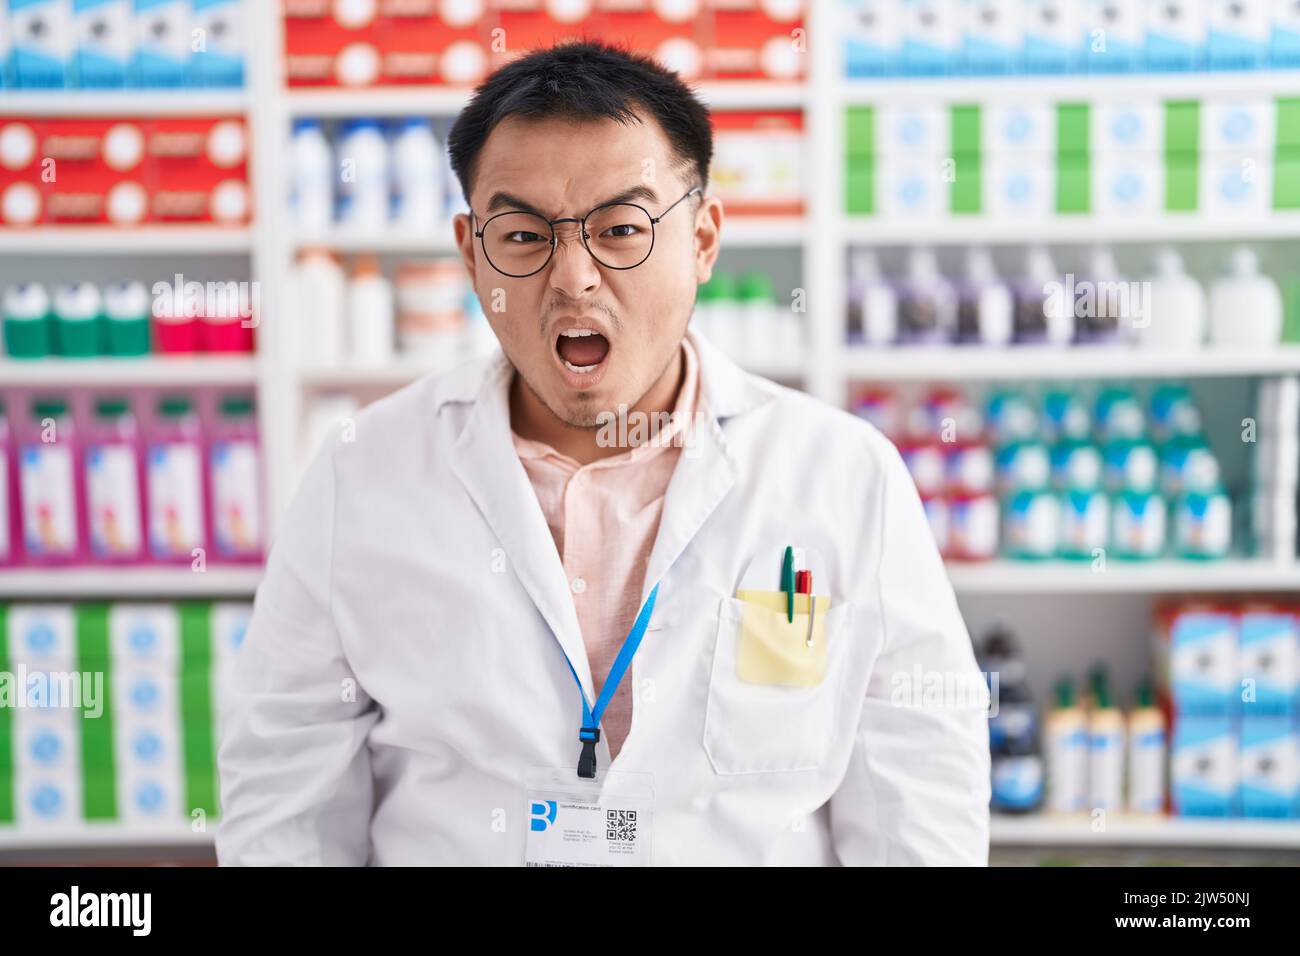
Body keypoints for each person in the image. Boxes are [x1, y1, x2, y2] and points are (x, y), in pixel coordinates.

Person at [216, 40, 989, 866]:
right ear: (472, 255)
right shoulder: (360, 474)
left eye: (622, 228)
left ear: (702, 238)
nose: (573, 278)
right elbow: (283, 800)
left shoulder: (845, 476)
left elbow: (922, 807)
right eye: (521, 236)